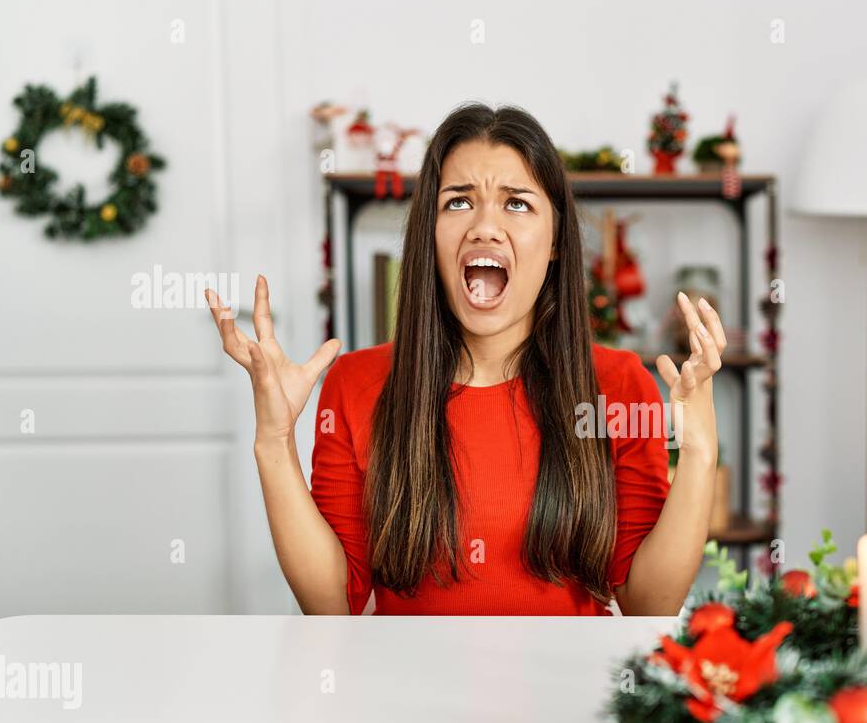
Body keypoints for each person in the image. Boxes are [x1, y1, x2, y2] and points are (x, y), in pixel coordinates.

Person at [205, 102, 725, 616]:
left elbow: (648, 606)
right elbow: (331, 605)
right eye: (457, 202)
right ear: (428, 237)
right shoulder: (356, 383)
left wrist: (699, 450)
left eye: (517, 203)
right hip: (406, 692)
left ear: (555, 242)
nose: (484, 227)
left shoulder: (615, 386)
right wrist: (274, 443)